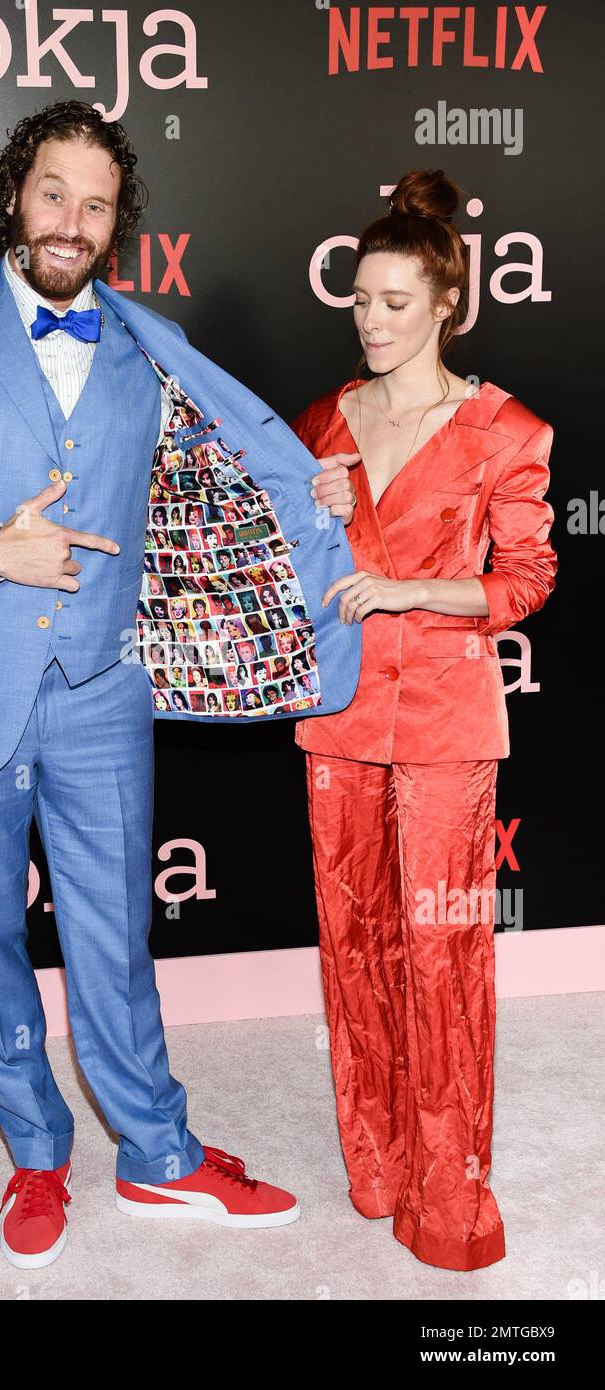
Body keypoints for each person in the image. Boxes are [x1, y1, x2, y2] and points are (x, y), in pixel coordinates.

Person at [0, 100, 359, 1272]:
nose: (70, 219)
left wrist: (314, 502)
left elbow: (227, 471)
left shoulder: (145, 345)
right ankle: (36, 1150)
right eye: (52, 191)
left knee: (114, 939)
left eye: (95, 203)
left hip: (101, 690)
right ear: (15, 197)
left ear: (118, 225)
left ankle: (155, 1152)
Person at [291, 168, 557, 1272]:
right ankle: (377, 1162)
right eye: (358, 301)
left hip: (448, 720)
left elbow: (526, 579)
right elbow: (295, 581)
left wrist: (410, 588)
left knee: (442, 953)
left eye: (395, 304)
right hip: (339, 717)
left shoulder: (503, 430)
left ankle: (448, 1200)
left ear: (448, 303)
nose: (372, 322)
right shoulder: (323, 422)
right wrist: (318, 525)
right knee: (354, 947)